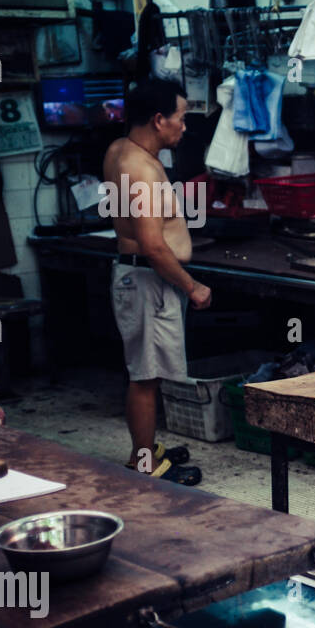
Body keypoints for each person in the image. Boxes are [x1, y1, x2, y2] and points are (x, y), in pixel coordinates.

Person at [103, 78, 210, 485]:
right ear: (158, 119)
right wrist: (191, 286)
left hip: (138, 276)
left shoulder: (120, 151)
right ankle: (142, 462)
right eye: (180, 118)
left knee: (145, 371)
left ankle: (146, 447)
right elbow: (152, 244)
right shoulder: (142, 169)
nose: (184, 126)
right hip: (148, 278)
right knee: (145, 377)